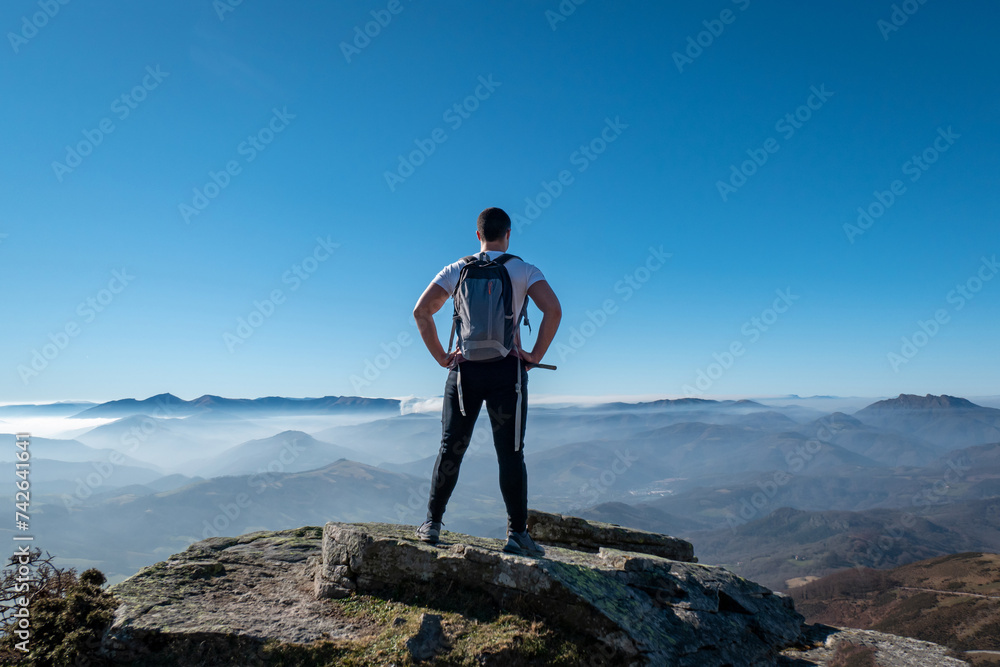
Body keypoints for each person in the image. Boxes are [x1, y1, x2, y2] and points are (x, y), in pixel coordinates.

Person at [412, 207, 561, 556]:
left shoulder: (457, 269)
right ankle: (517, 534)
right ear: (508, 234)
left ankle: (432, 524)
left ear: (478, 235)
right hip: (507, 373)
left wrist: (442, 357)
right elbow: (553, 310)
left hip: (464, 373)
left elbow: (421, 311)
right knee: (511, 453)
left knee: (451, 448)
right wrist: (534, 355)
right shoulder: (524, 270)